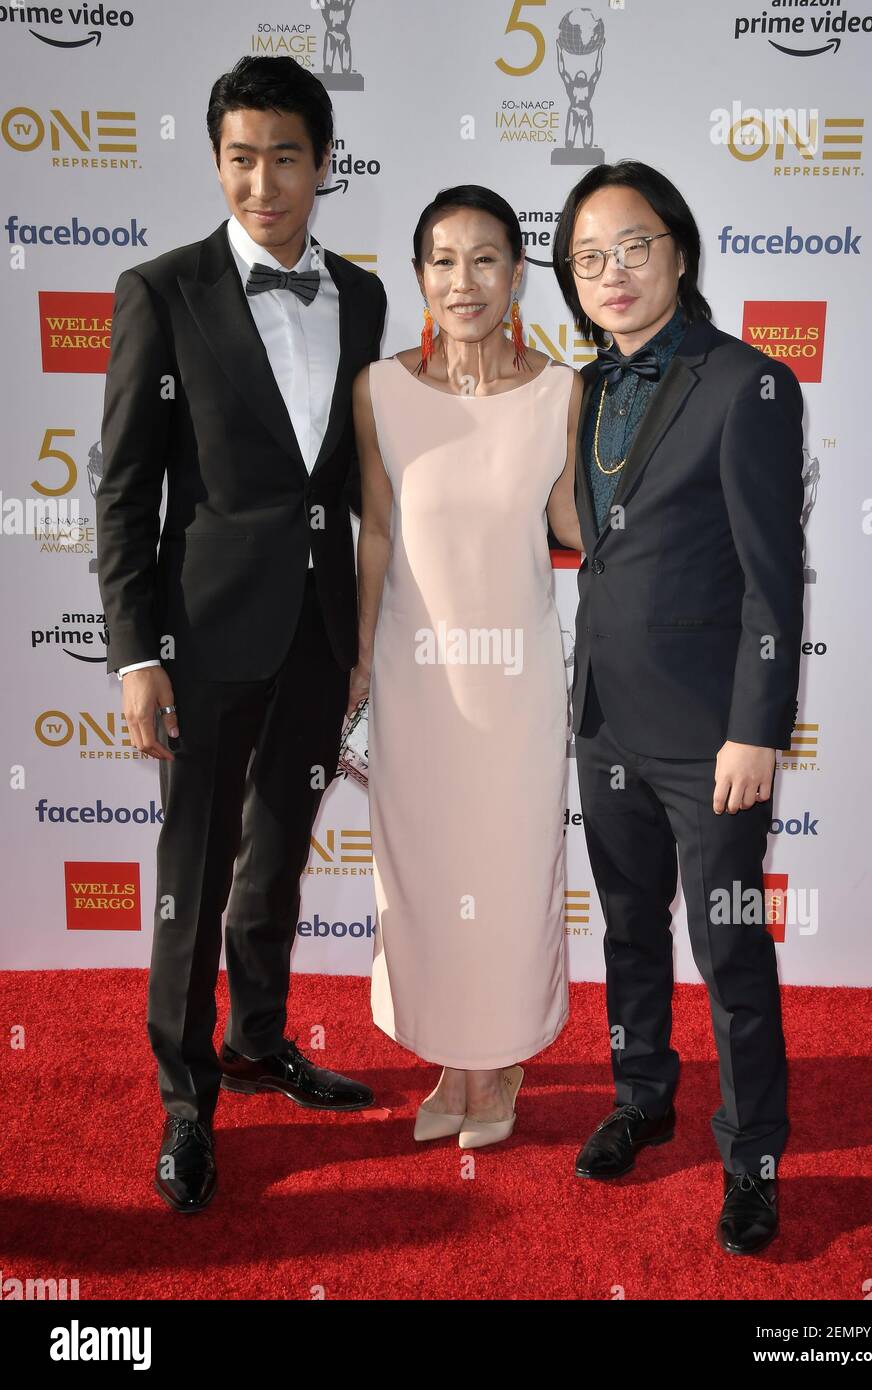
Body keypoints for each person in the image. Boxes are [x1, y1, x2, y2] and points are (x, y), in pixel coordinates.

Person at [95, 56, 386, 1213]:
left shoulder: (361, 297)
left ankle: (260, 1041)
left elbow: (362, 478)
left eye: (283, 156)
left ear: (323, 164)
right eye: (238, 156)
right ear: (216, 160)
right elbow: (124, 492)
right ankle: (185, 1098)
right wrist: (134, 653)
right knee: (192, 870)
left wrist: (363, 627)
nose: (260, 180)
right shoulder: (160, 290)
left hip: (318, 627)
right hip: (205, 637)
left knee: (275, 856)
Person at [552, 160, 804, 1254]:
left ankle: (749, 1152)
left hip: (710, 736)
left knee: (730, 942)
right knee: (624, 927)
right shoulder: (584, 389)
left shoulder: (744, 382)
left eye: (632, 247)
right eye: (586, 258)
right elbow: (583, 542)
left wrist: (755, 725)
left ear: (679, 251)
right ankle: (640, 1090)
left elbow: (771, 573)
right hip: (603, 715)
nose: (610, 273)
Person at [350, 186, 584, 1148]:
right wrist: (360, 662)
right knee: (427, 870)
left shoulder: (562, 391)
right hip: (416, 681)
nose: (464, 281)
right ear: (418, 278)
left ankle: (500, 1067)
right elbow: (375, 539)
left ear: (518, 274)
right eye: (443, 261)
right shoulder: (381, 391)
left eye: (486, 259)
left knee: (512, 864)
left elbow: (574, 525)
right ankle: (453, 1060)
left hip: (519, 680)